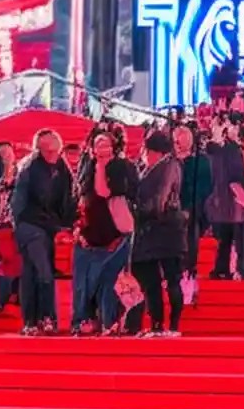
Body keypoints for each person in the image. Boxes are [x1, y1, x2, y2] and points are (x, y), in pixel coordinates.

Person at [71, 131, 137, 336]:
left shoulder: (120, 167)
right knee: (84, 283)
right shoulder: (86, 167)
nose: (101, 148)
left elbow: (103, 192)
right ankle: (83, 321)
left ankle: (110, 322)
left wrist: (101, 166)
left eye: (106, 144)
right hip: (88, 234)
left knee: (109, 281)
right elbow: (80, 197)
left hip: (114, 235)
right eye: (98, 144)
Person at [10, 129, 76, 336]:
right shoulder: (29, 168)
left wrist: (67, 225)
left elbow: (67, 200)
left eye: (53, 151)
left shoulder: (61, 169)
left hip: (48, 228)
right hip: (30, 227)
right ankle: (46, 317)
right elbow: (19, 204)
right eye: (46, 151)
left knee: (31, 272)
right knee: (44, 271)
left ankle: (32, 321)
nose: (50, 155)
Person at [129, 131, 186, 337]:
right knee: (154, 280)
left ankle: (170, 325)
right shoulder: (155, 167)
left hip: (163, 231)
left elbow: (158, 201)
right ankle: (158, 324)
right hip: (159, 232)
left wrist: (137, 211)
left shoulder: (167, 166)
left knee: (170, 279)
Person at [206, 119, 244, 280]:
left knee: (224, 240)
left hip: (219, 201)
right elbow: (235, 177)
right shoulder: (233, 151)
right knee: (239, 239)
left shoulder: (215, 151)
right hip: (234, 203)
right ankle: (241, 270)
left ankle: (221, 269)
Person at [174, 125, 212, 302]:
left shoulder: (200, 162)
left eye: (180, 141)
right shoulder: (171, 161)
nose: (178, 145)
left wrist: (190, 208)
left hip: (192, 212)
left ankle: (189, 285)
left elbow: (205, 187)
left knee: (190, 250)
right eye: (175, 141)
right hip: (171, 214)